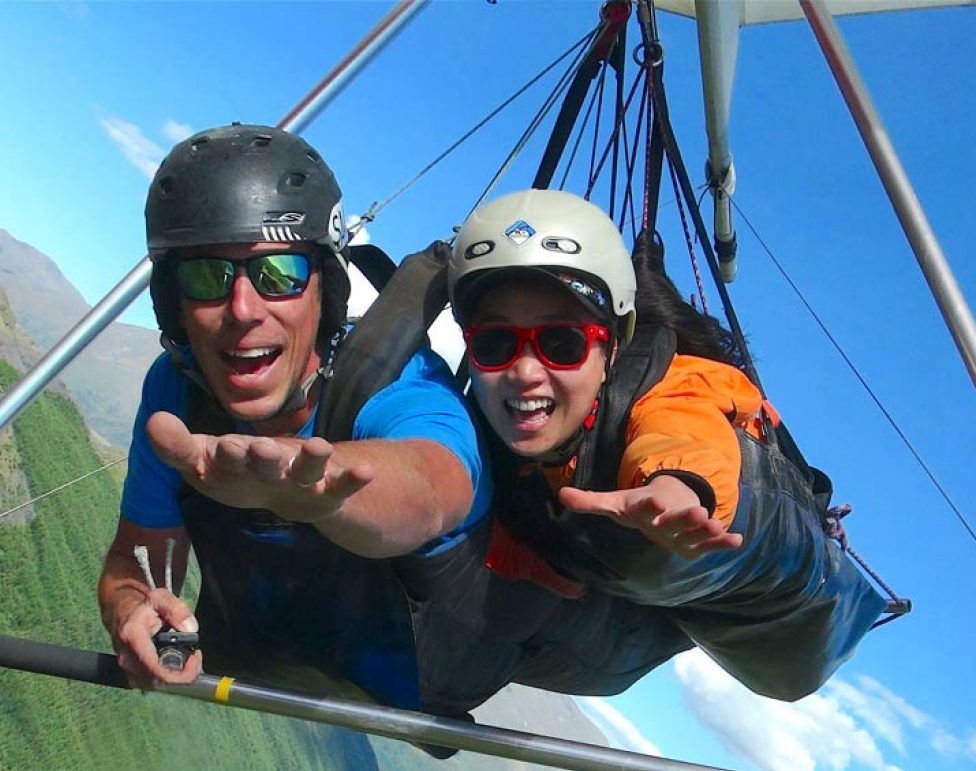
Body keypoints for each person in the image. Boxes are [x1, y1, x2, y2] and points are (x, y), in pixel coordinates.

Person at [98, 125, 687, 723]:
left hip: (530, 641)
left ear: (325, 291)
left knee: (641, 615)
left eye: (279, 275)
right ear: (173, 303)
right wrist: (131, 609)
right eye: (207, 278)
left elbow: (431, 486)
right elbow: (138, 553)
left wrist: (326, 496)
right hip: (294, 656)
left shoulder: (398, 386)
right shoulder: (176, 392)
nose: (243, 310)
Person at [448, 188, 890, 701]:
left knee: (642, 558)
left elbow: (680, 435)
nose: (525, 371)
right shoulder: (501, 422)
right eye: (495, 343)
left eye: (561, 343)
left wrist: (678, 492)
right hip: (615, 590)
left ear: (611, 348)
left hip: (754, 582)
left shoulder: (673, 387)